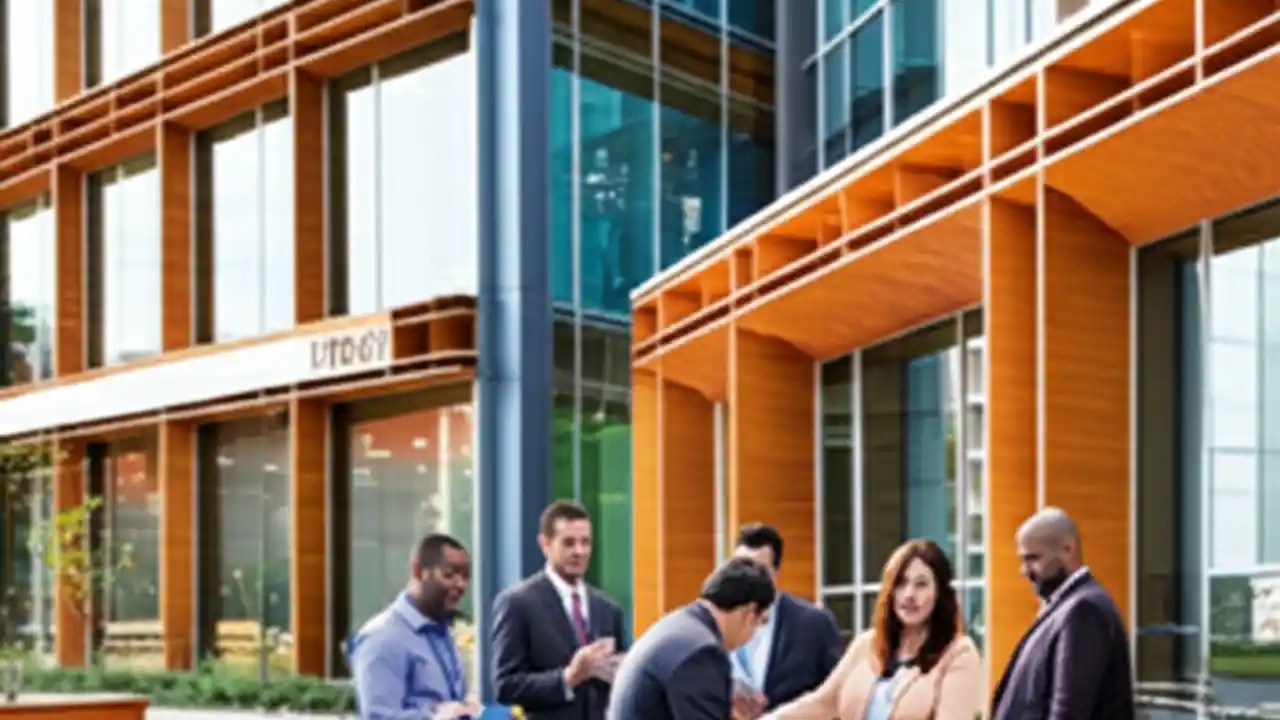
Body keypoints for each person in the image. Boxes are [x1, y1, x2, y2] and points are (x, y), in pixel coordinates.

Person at [765, 539, 983, 720]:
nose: (909, 594)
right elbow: (823, 702)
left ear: (940, 593)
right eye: (901, 583)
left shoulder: (959, 654)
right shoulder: (867, 644)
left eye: (921, 584)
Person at [992, 507, 1134, 720]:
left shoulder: (1084, 610)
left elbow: (1068, 711)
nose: (1024, 571)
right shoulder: (1068, 607)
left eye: (1033, 559)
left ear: (1067, 550)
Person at [492, 500, 628, 720]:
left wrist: (621, 670)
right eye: (569, 543)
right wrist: (568, 677)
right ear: (545, 544)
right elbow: (505, 686)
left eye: (585, 542)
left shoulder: (608, 609)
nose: (579, 551)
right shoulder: (518, 604)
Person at [607, 557, 775, 720]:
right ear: (750, 612)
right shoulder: (702, 653)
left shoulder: (682, 626)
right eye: (760, 622)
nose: (754, 635)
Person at [349, 533, 482, 720]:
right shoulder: (383, 638)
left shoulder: (441, 631)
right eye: (449, 575)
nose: (460, 585)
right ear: (418, 571)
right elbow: (379, 717)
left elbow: (451, 705)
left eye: (466, 577)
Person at [728, 524, 842, 719]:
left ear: (776, 572)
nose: (749, 579)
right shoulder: (715, 623)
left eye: (760, 570)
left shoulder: (814, 626)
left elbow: (837, 697)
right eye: (742, 569)